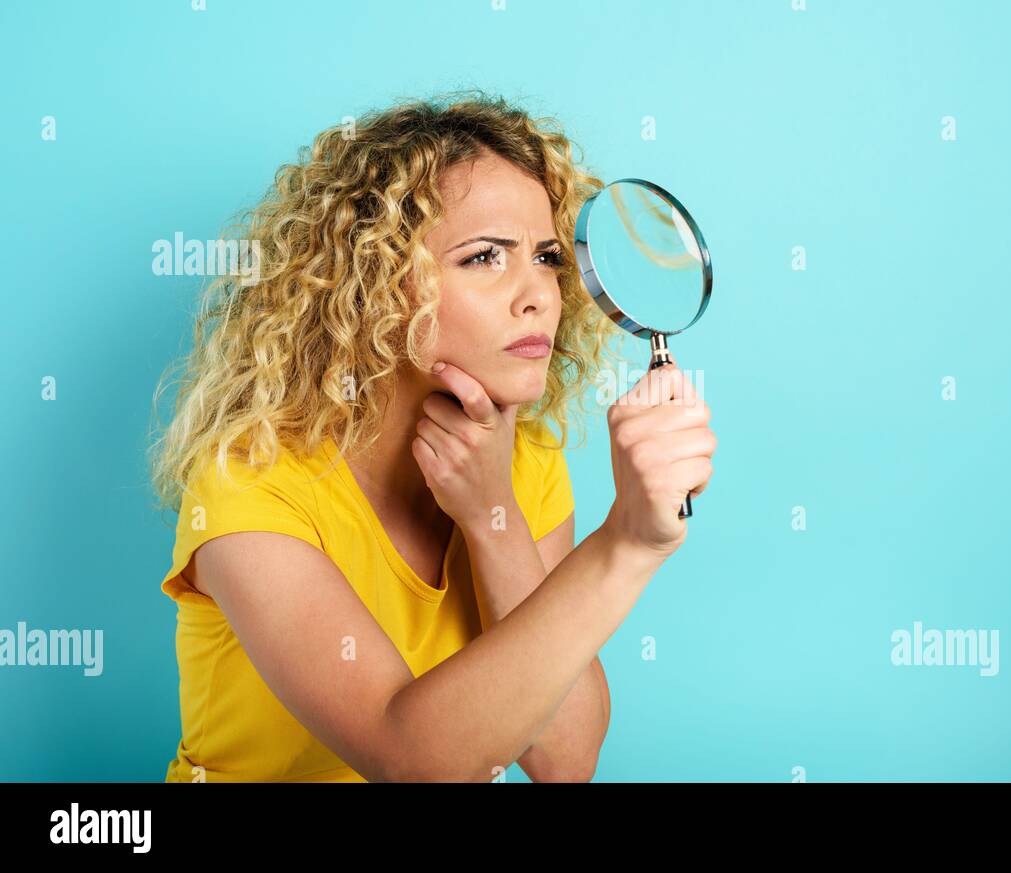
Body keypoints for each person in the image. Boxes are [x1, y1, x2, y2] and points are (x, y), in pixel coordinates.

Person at [148, 91, 716, 782]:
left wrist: (491, 515)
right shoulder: (250, 483)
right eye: (485, 257)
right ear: (375, 286)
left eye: (545, 257)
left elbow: (563, 758)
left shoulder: (526, 460)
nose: (537, 291)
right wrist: (627, 542)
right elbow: (409, 759)